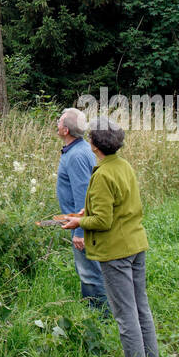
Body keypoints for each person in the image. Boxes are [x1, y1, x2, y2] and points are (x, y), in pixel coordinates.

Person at [61, 117, 161, 357]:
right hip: (136, 244)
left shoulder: (103, 174)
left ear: (94, 143)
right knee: (142, 309)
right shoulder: (123, 166)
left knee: (126, 316)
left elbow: (103, 221)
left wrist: (79, 222)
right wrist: (88, 211)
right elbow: (119, 204)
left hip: (116, 252)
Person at [55, 108, 108, 310]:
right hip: (80, 222)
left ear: (66, 130)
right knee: (89, 270)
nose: (57, 125)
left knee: (90, 273)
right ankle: (93, 312)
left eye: (59, 122)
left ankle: (101, 316)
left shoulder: (77, 155)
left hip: (82, 224)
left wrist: (79, 231)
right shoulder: (79, 149)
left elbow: (84, 195)